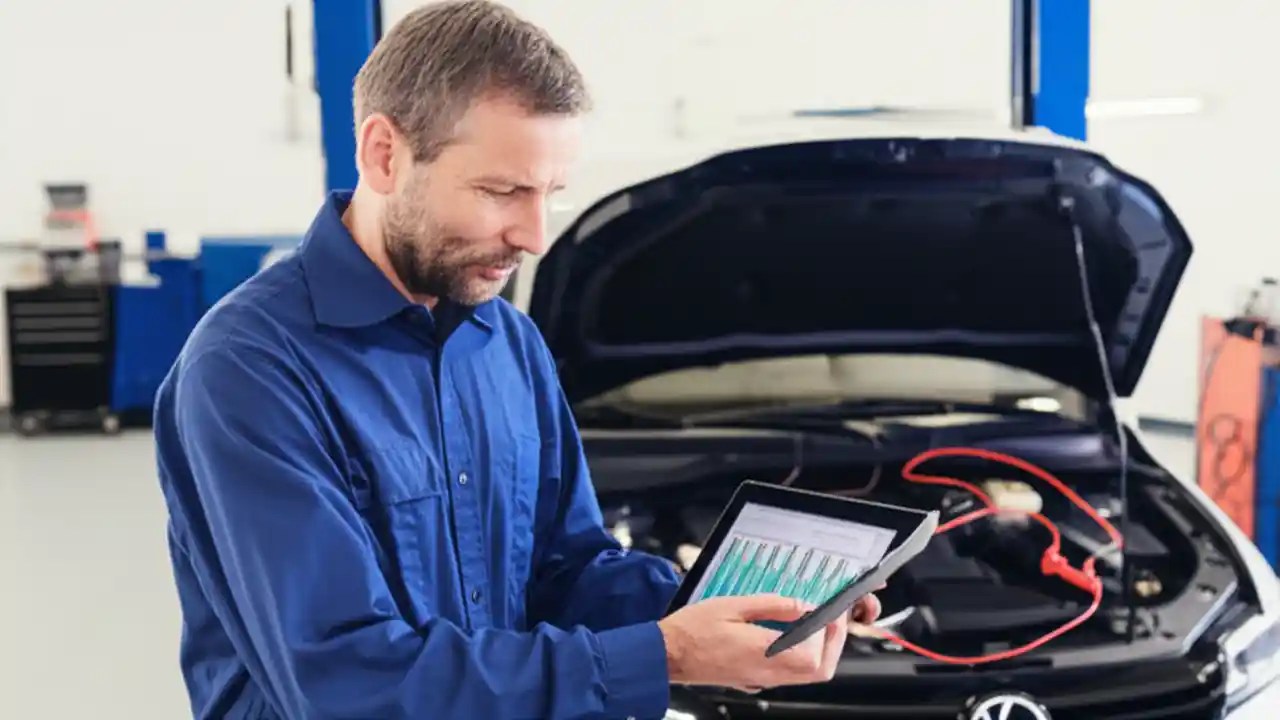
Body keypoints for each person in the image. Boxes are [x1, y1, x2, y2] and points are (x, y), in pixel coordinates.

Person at [153, 2, 880, 718]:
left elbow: (564, 572)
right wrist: (666, 653)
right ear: (383, 155)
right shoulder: (249, 370)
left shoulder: (505, 341)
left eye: (551, 195)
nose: (533, 236)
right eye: (502, 192)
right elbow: (347, 683)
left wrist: (717, 611)